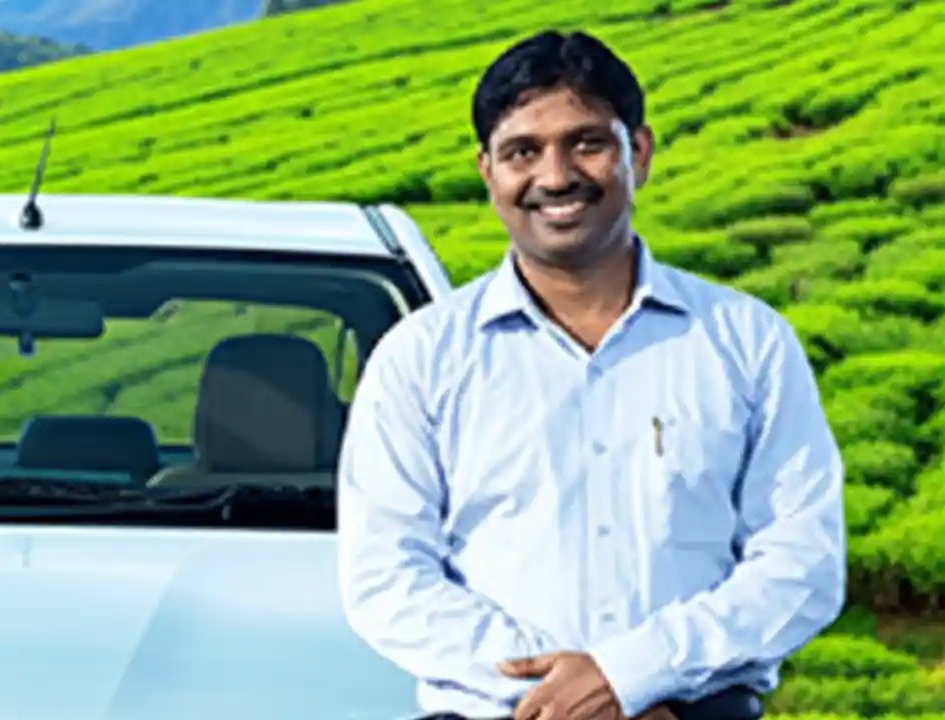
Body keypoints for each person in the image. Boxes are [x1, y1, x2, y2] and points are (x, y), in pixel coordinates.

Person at [335, 29, 846, 720]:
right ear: (487, 171)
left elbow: (803, 562)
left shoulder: (746, 340)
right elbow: (386, 578)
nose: (555, 177)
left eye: (586, 143)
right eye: (522, 152)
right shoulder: (421, 358)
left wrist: (632, 676)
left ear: (640, 152)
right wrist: (567, 695)